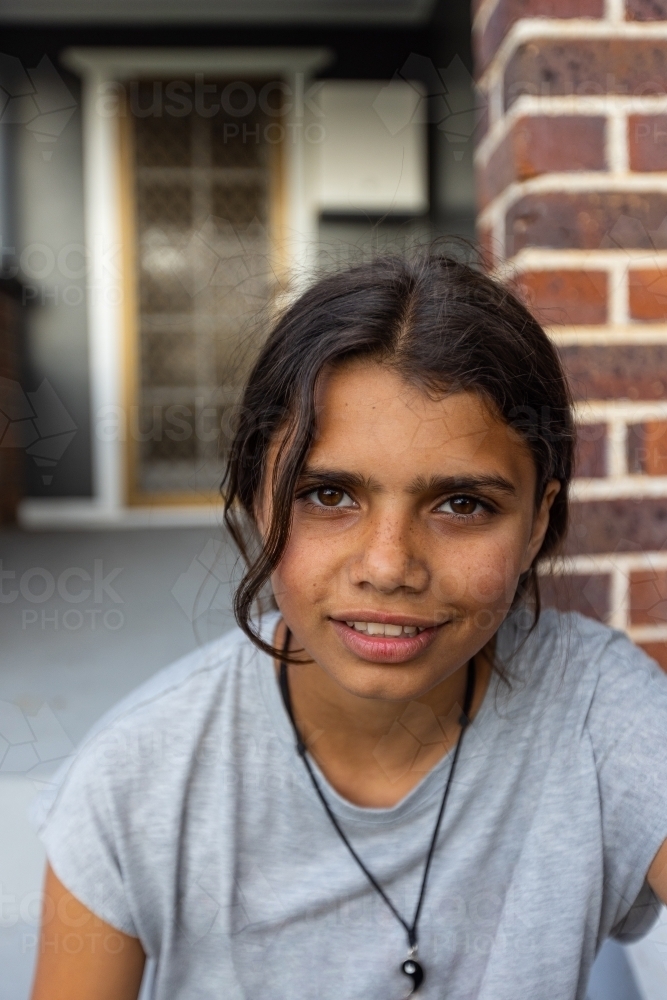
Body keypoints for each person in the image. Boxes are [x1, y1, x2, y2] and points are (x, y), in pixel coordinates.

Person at [30, 253, 667, 1000]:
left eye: (462, 504)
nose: (388, 566)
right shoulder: (136, 779)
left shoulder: (601, 716)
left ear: (533, 527)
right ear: (254, 501)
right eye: (328, 494)